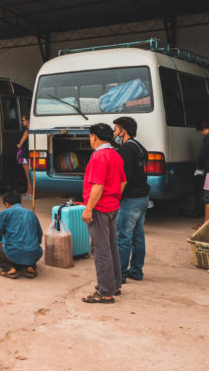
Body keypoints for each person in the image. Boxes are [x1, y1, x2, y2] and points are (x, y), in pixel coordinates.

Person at [81, 123, 126, 304]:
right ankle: (114, 284)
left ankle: (106, 292)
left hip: (100, 208)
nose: (90, 140)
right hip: (113, 206)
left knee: (101, 249)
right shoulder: (115, 155)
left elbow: (98, 186)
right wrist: (113, 197)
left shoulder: (98, 156)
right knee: (111, 245)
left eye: (90, 137)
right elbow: (123, 182)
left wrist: (89, 208)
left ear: (95, 137)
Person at [113, 117, 150, 282]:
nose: (114, 133)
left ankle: (119, 275)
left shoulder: (126, 149)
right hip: (143, 198)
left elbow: (124, 179)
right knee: (137, 236)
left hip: (130, 200)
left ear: (123, 131)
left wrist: (116, 197)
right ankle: (136, 271)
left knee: (122, 237)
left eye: (116, 129)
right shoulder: (139, 146)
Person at [0, 191, 43, 278]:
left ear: (7, 204)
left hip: (14, 252)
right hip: (35, 253)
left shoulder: (5, 213)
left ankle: (9, 269)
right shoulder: (31, 214)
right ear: (20, 202)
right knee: (30, 246)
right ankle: (31, 267)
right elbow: (39, 237)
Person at [17, 115, 32, 200]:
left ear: (28, 121)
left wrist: (18, 145)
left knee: (27, 175)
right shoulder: (33, 131)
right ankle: (28, 192)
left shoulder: (27, 131)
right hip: (29, 154)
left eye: (23, 120)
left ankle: (30, 193)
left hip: (25, 155)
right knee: (29, 175)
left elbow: (20, 144)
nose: (22, 122)